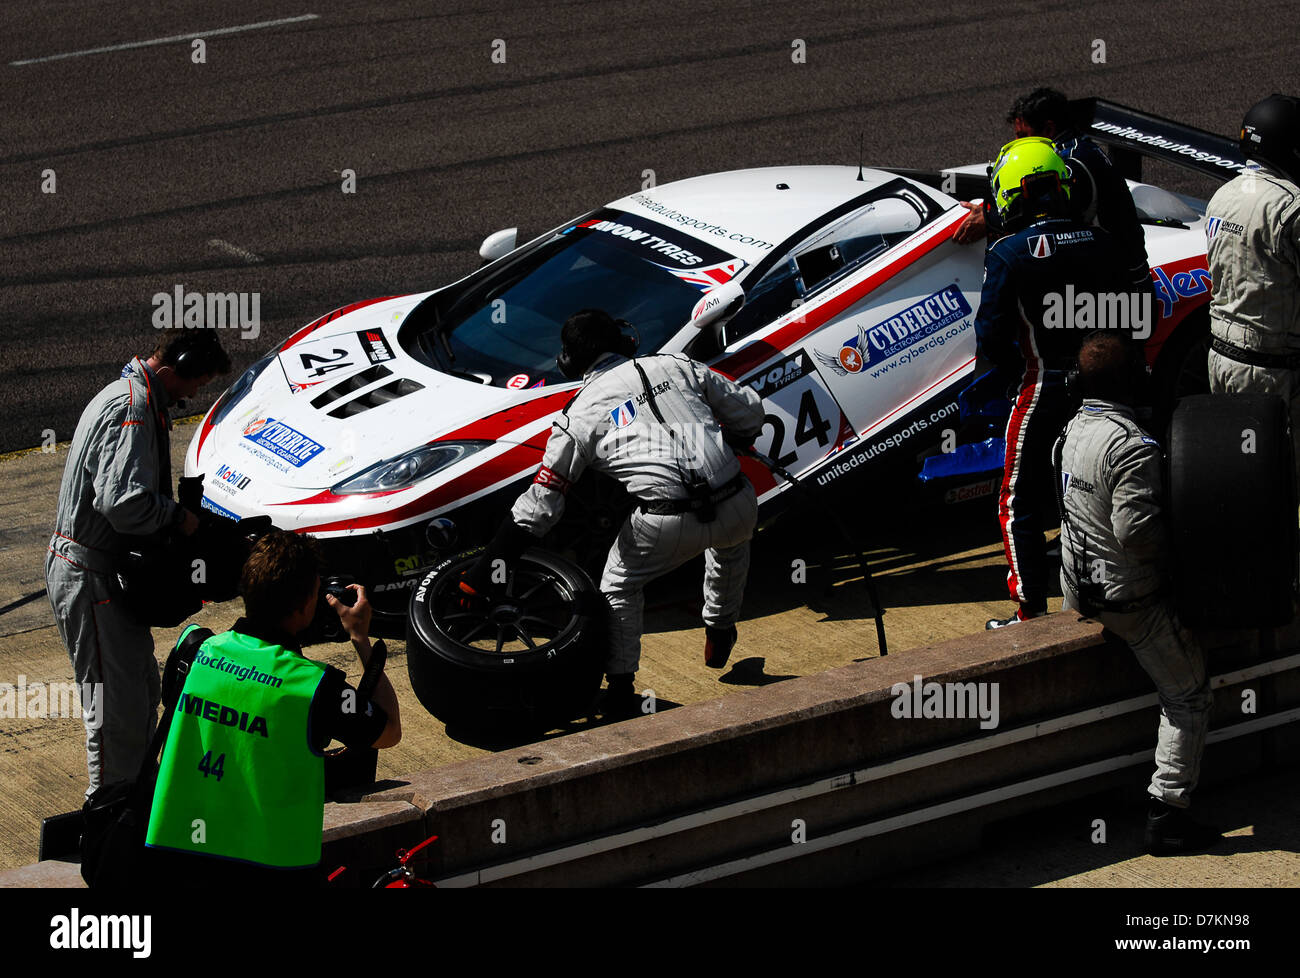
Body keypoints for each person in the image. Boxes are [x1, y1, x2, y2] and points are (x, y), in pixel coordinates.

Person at [462, 308, 766, 717]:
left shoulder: (579, 414)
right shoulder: (676, 364)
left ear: (569, 360)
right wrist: (737, 439)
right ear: (625, 340)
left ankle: (621, 689)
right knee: (731, 542)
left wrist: (485, 570)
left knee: (619, 584)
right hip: (739, 498)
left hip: (665, 520)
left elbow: (540, 507)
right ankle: (720, 628)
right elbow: (751, 411)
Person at [145, 531, 401, 885]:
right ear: (306, 605)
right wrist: (360, 638)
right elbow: (388, 732)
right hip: (271, 867)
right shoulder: (312, 686)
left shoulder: (194, 650)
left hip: (176, 857)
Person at [46, 330, 231, 795]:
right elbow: (123, 503)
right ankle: (106, 823)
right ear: (173, 369)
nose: (193, 395)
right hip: (90, 576)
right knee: (116, 713)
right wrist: (179, 520)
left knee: (142, 692)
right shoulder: (131, 409)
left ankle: (130, 807)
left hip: (101, 574)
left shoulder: (134, 397)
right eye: (195, 383)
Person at [1055, 332, 1217, 855]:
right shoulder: (1131, 446)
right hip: (1132, 605)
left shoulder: (1072, 430)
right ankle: (1167, 814)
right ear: (1131, 380)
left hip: (1081, 592)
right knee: (1188, 696)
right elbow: (1137, 535)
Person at [970, 138, 1134, 628]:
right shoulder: (1104, 242)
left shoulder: (1007, 252)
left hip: (1041, 387)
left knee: (1017, 498)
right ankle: (1102, 591)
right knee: (1092, 488)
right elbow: (1132, 318)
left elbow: (990, 336)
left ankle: (1029, 611)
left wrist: (1006, 376)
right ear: (1061, 187)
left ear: (1013, 194)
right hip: (1104, 388)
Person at [956, 87, 1151, 293]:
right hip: (1112, 276)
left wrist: (988, 219)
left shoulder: (1071, 163)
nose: (1016, 144)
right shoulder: (1077, 149)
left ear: (1048, 129)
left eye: (1022, 136)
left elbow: (1041, 215)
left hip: (1123, 286)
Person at [1205, 93, 1300, 485]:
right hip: (1273, 370)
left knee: (1241, 472)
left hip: (1220, 360)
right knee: (1284, 478)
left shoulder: (1221, 196)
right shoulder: (1290, 207)